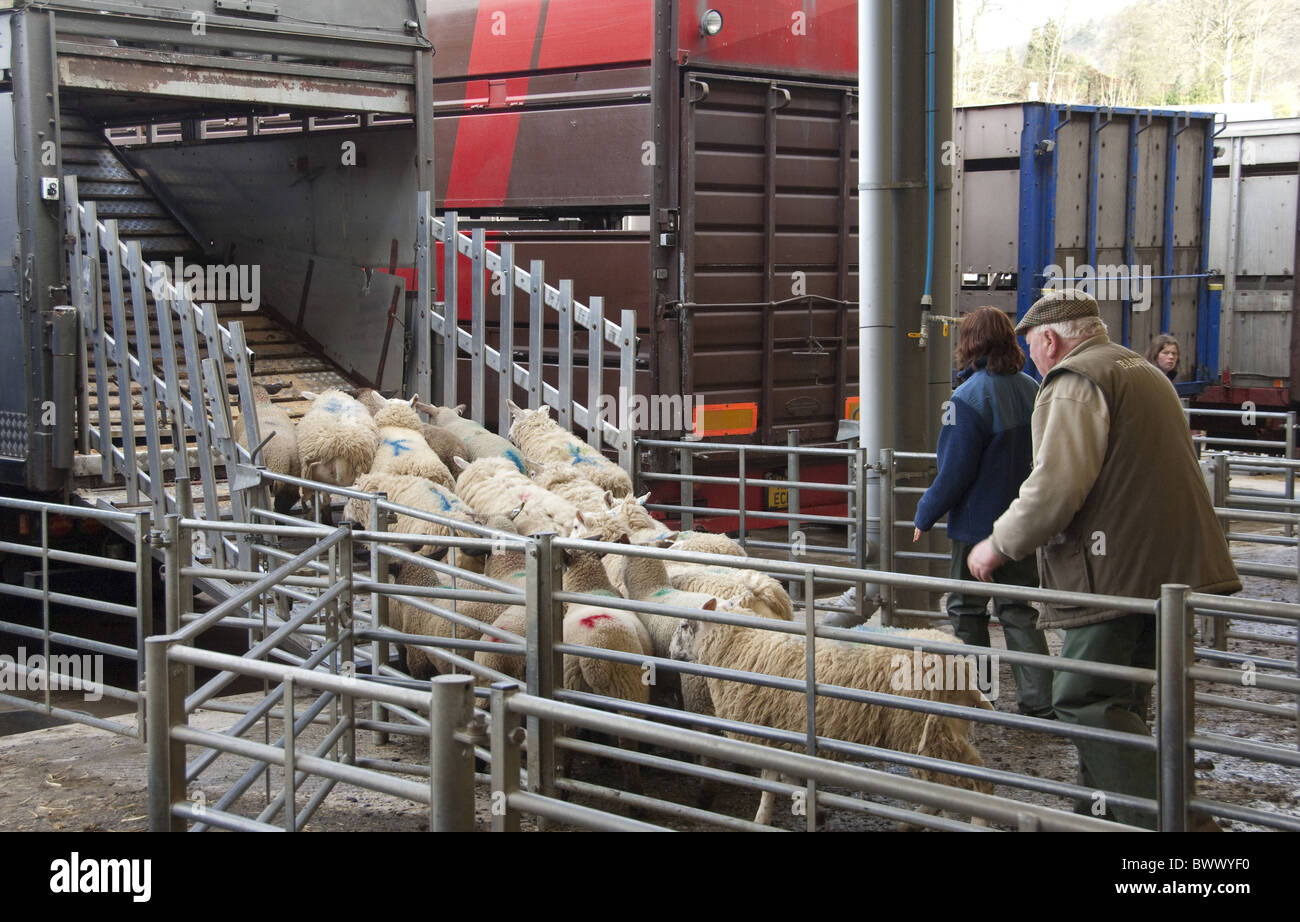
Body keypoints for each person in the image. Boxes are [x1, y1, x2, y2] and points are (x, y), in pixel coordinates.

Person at [967, 289, 1240, 829]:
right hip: (1169, 568)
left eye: (1033, 348)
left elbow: (1055, 485)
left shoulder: (1074, 381)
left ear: (1050, 338)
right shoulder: (1140, 369)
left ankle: (1180, 827)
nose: (1034, 361)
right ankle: (1100, 817)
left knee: (1084, 695)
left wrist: (998, 543)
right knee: (1123, 699)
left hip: (1119, 570)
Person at [908, 306, 1053, 717]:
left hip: (976, 529)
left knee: (967, 609)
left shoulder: (967, 398)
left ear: (970, 344)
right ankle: (1039, 700)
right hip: (1022, 524)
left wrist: (925, 512)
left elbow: (955, 471)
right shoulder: (1033, 389)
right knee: (1018, 609)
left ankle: (981, 694)